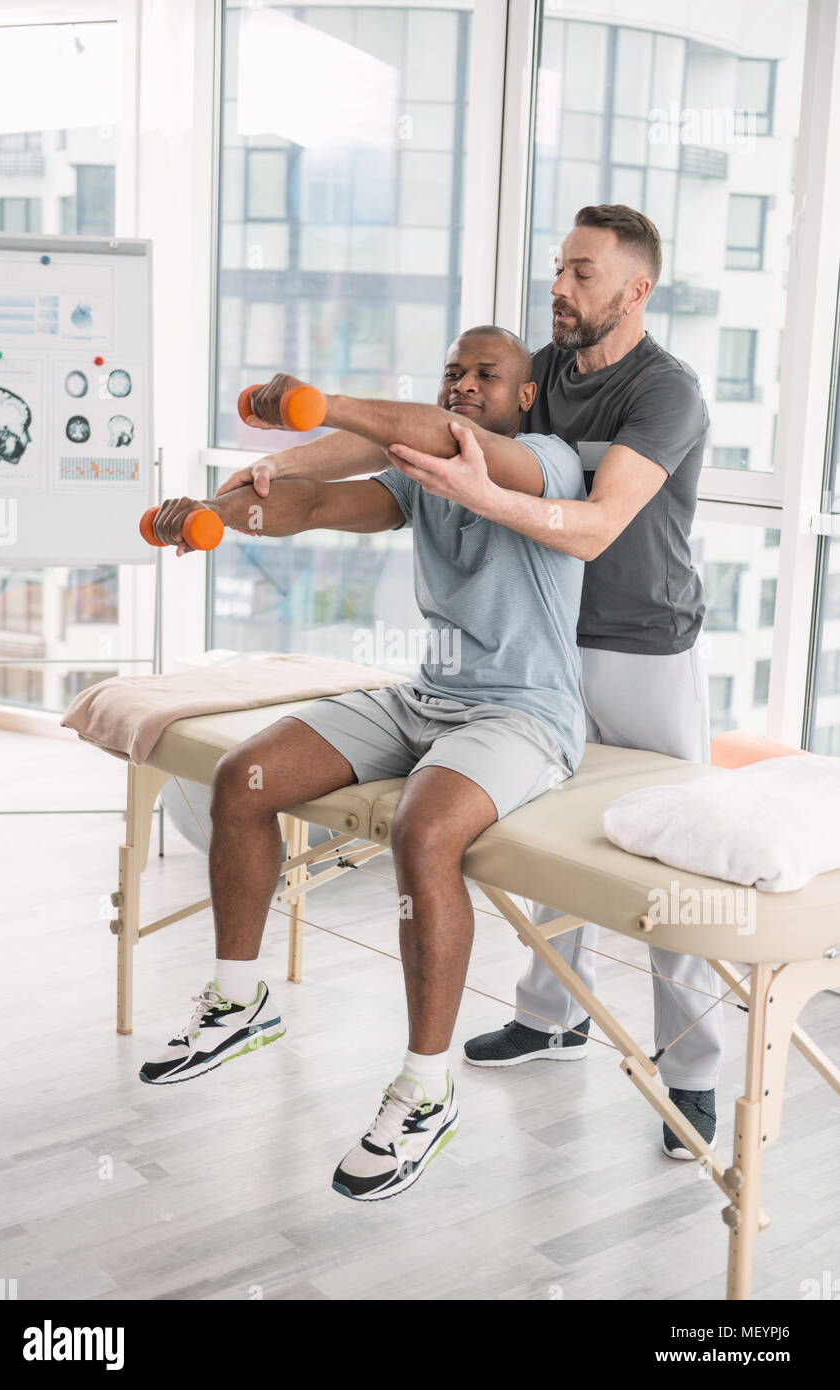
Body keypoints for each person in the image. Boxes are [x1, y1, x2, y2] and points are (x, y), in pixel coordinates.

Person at [216, 205, 718, 1160]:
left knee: (665, 864)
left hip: (636, 647)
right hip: (536, 646)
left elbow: (600, 525)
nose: (559, 289)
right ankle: (549, 1020)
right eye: (558, 270)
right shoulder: (538, 372)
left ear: (634, 289)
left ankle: (688, 1072)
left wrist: (488, 496)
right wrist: (280, 463)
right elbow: (413, 439)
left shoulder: (666, 394)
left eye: (580, 273)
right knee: (547, 848)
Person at [140, 327, 587, 1202]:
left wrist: (326, 406)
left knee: (423, 833)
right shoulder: (419, 482)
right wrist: (219, 513)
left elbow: (431, 434)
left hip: (523, 714)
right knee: (244, 777)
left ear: (524, 397)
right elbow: (311, 508)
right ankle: (239, 1002)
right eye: (451, 370)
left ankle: (425, 1090)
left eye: (484, 375)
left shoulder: (547, 461)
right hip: (426, 699)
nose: (462, 384)